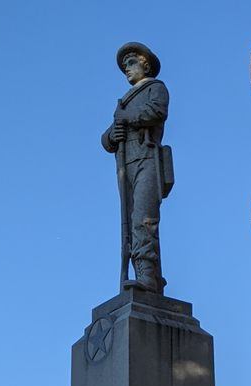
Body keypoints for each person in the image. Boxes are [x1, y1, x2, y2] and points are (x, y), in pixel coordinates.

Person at [101, 42, 172, 293]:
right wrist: (112, 134)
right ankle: (150, 274)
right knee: (130, 224)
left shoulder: (156, 89)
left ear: (145, 64)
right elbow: (107, 138)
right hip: (126, 166)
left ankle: (147, 275)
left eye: (130, 63)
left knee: (144, 218)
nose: (126, 70)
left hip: (147, 158)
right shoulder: (123, 103)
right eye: (124, 67)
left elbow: (156, 111)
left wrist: (126, 120)